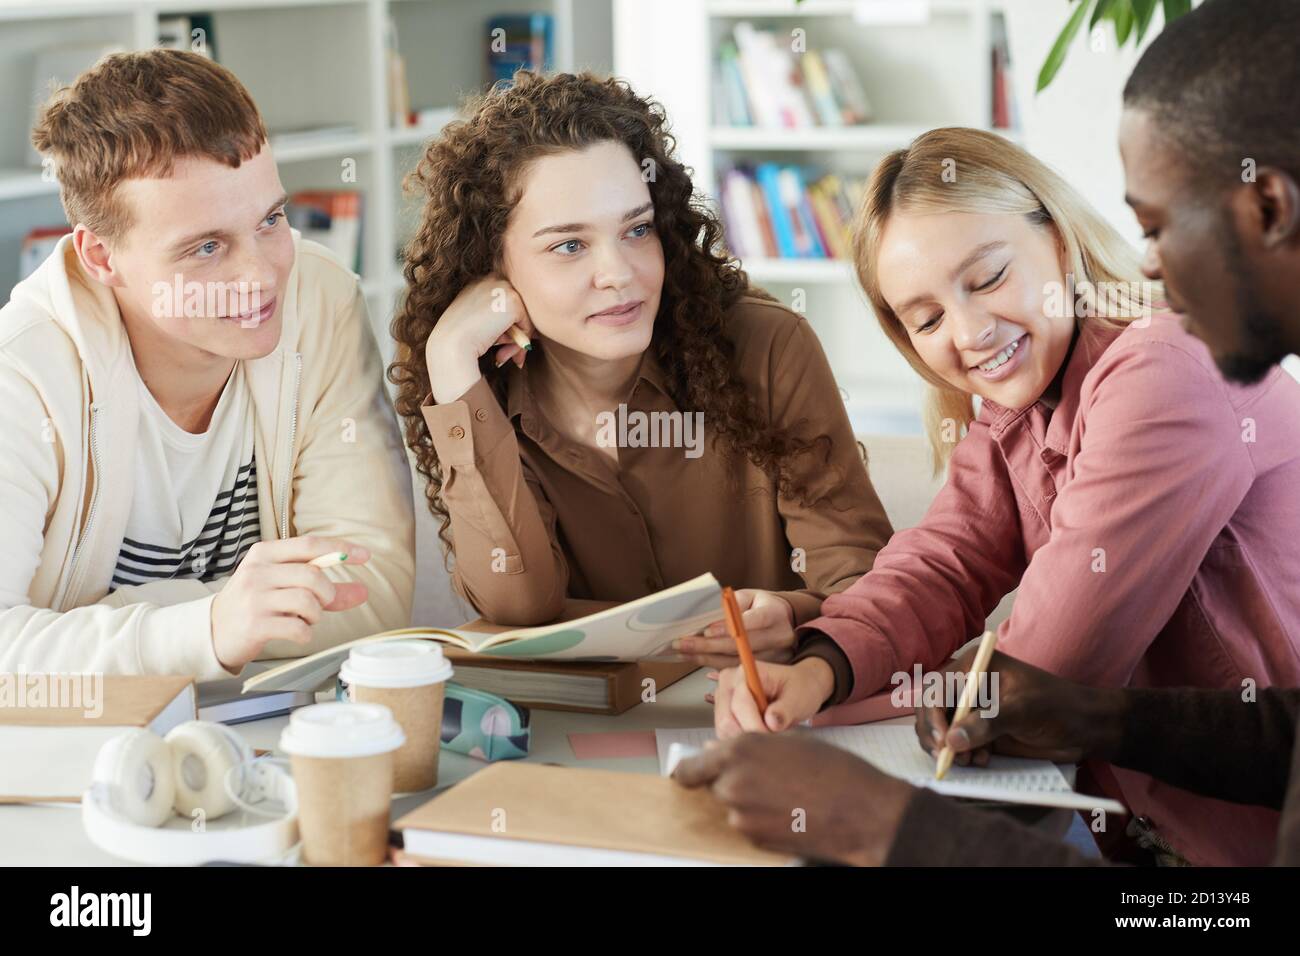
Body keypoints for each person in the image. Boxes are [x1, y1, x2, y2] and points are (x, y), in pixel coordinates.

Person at [685, 0, 1300, 867]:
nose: (968, 332)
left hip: (1228, 858)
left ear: (1057, 238)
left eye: (988, 276)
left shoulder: (1167, 364)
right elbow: (945, 561)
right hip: (1117, 833)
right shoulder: (1017, 403)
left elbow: (1048, 662)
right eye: (926, 315)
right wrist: (818, 667)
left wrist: (845, 701)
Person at [389, 70, 892, 667]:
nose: (620, 274)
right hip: (582, 739)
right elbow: (518, 607)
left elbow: (861, 583)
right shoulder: (482, 388)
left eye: (637, 229)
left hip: (766, 719)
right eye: (570, 246)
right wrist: (450, 366)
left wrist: (794, 614)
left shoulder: (766, 346)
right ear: (491, 265)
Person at [0, 50, 415, 679]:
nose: (261, 275)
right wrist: (216, 623)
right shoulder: (22, 372)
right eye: (206, 247)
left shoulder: (319, 297)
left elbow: (372, 593)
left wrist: (96, 629)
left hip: (267, 736)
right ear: (102, 259)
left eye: (271, 219)